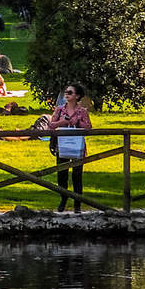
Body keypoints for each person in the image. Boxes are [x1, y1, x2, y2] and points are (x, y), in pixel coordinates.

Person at [48, 83, 92, 211]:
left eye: (70, 92)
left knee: (77, 175)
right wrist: (62, 122)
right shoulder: (59, 109)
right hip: (62, 145)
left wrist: (78, 122)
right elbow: (51, 125)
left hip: (77, 146)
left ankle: (77, 203)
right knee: (62, 174)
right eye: (66, 92)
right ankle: (64, 198)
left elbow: (89, 127)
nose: (67, 94)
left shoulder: (82, 111)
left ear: (77, 96)